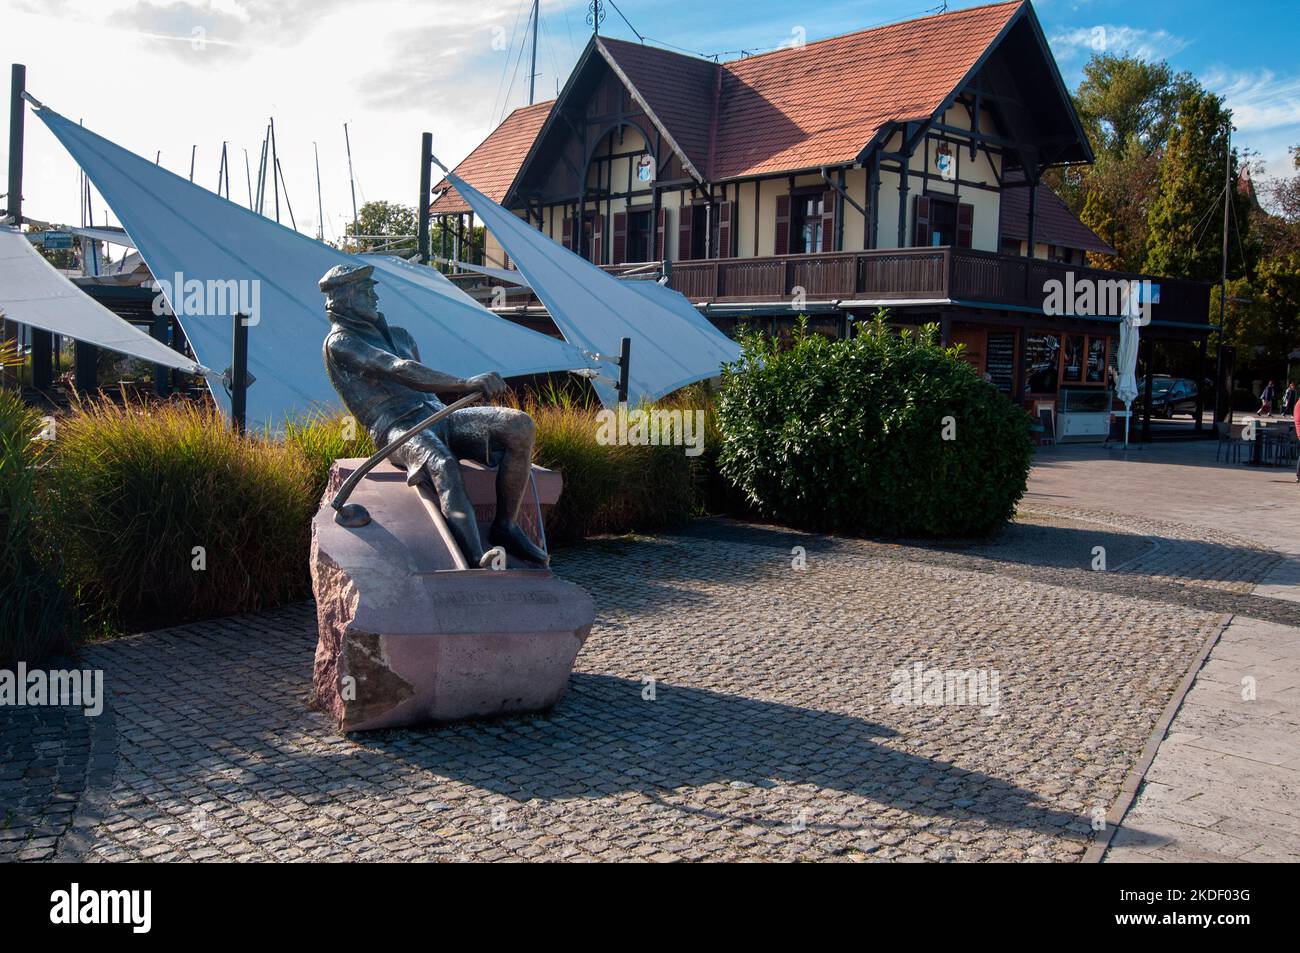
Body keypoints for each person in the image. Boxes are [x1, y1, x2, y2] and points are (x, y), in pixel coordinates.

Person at [319, 263, 549, 567]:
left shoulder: (401, 336)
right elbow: (399, 369)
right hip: (399, 427)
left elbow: (420, 380)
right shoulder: (341, 342)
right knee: (443, 463)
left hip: (439, 415)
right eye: (365, 291)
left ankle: (506, 527)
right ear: (345, 298)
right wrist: (465, 383)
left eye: (373, 289)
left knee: (519, 425)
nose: (375, 297)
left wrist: (455, 394)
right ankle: (475, 555)